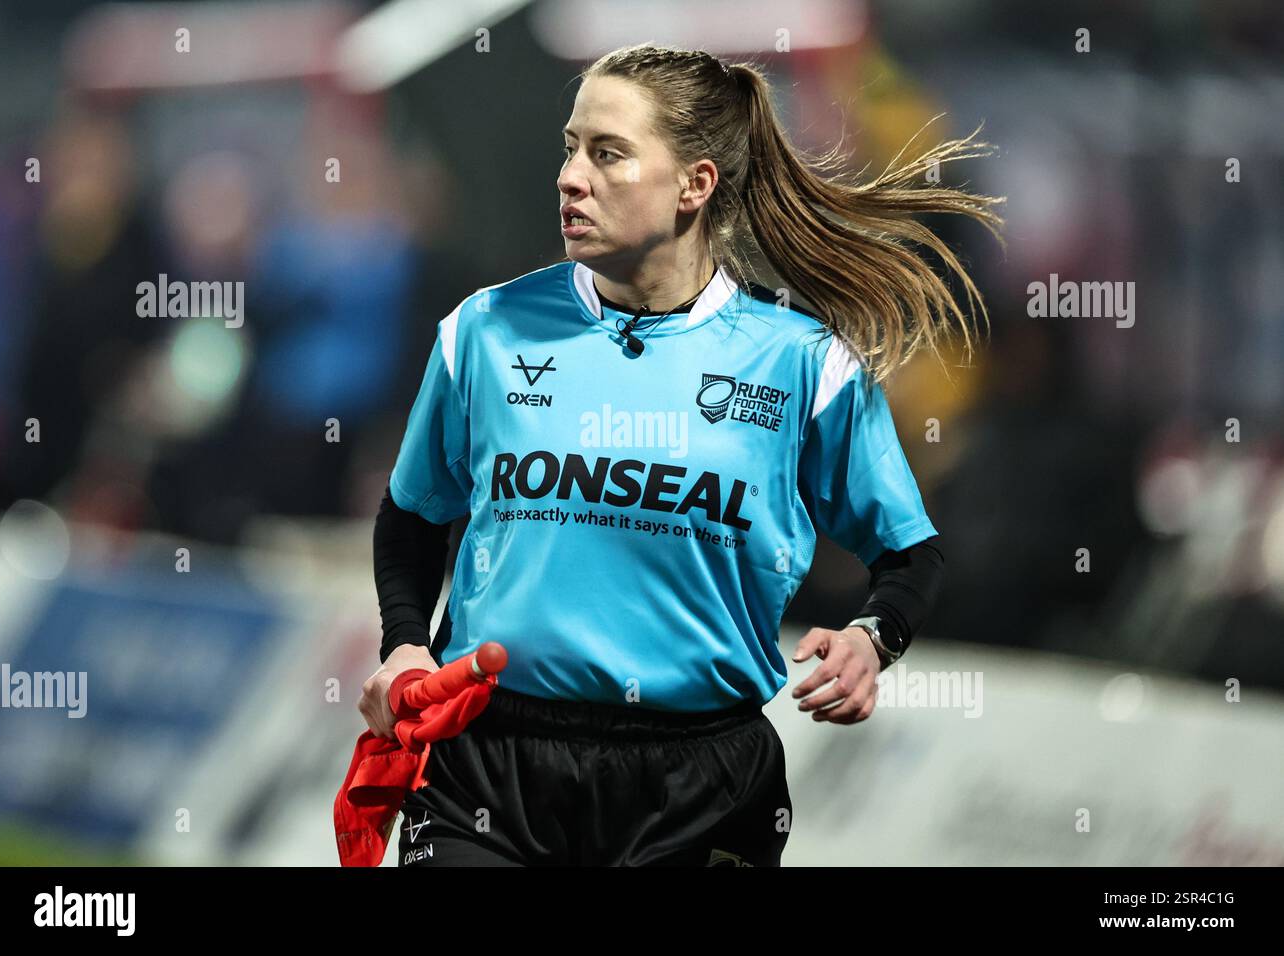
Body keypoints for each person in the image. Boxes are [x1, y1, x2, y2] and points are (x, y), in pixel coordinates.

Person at [357, 44, 1003, 867]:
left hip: (699, 790)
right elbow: (412, 516)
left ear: (695, 185)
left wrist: (872, 638)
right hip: (488, 768)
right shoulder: (483, 331)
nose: (570, 175)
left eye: (608, 152)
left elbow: (909, 554)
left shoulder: (802, 364)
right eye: (570, 146)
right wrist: (407, 644)